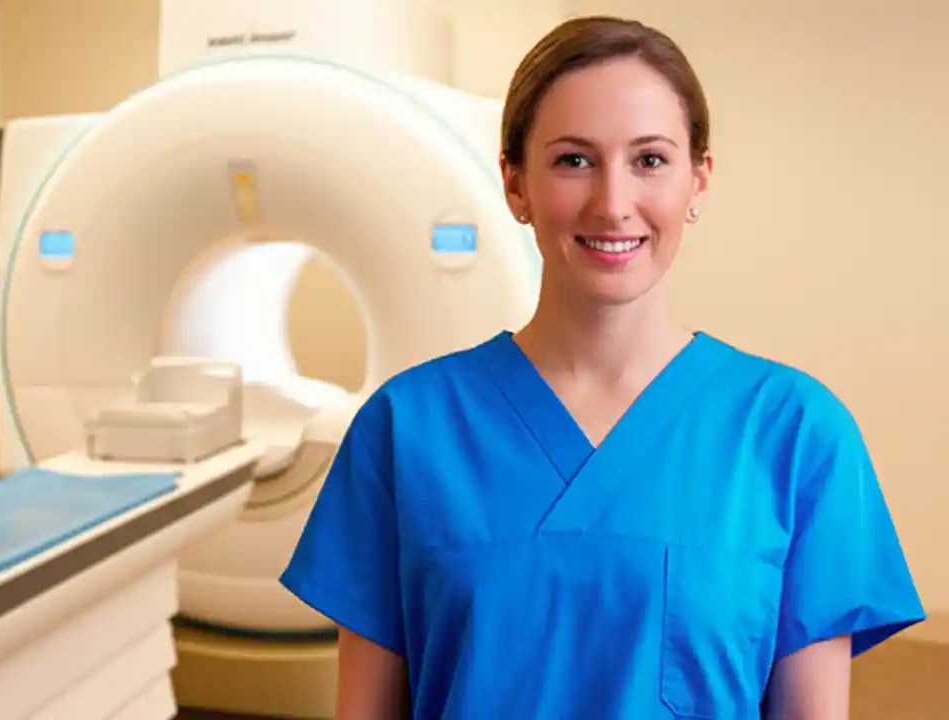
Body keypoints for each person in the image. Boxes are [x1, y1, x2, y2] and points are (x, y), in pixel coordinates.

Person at [278, 14, 926, 720]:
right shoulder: (406, 429)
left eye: (649, 160)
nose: (613, 205)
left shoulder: (794, 433)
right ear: (515, 183)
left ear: (698, 180)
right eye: (573, 161)